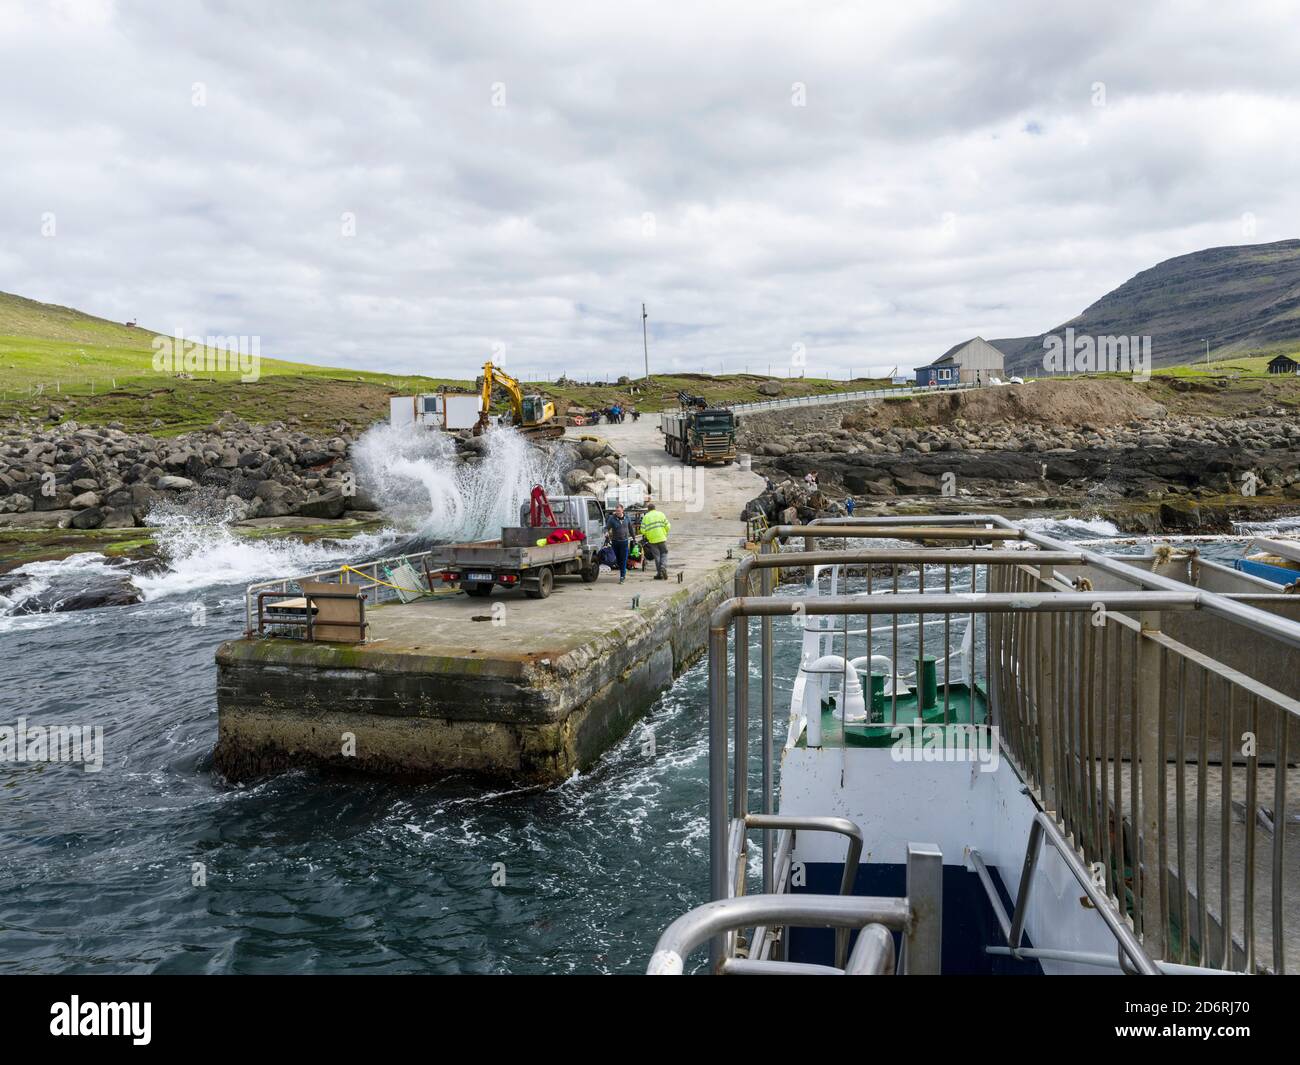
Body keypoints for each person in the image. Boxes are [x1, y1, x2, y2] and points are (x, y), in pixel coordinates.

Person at [640, 498, 671, 580]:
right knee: (664, 553)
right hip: (662, 538)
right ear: (655, 508)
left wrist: (647, 535)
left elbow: (642, 530)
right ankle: (663, 567)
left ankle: (659, 574)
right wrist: (664, 533)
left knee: (657, 556)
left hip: (652, 540)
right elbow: (668, 526)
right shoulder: (661, 514)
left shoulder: (646, 517)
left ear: (648, 510)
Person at [606, 503, 633, 583]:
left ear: (622, 510)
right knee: (618, 560)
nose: (617, 512)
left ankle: (622, 576)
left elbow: (630, 529)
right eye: (616, 511)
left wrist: (634, 538)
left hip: (624, 542)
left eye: (619, 511)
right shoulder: (612, 518)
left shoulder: (627, 518)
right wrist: (606, 532)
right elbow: (606, 528)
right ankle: (623, 570)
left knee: (624, 559)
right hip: (615, 542)